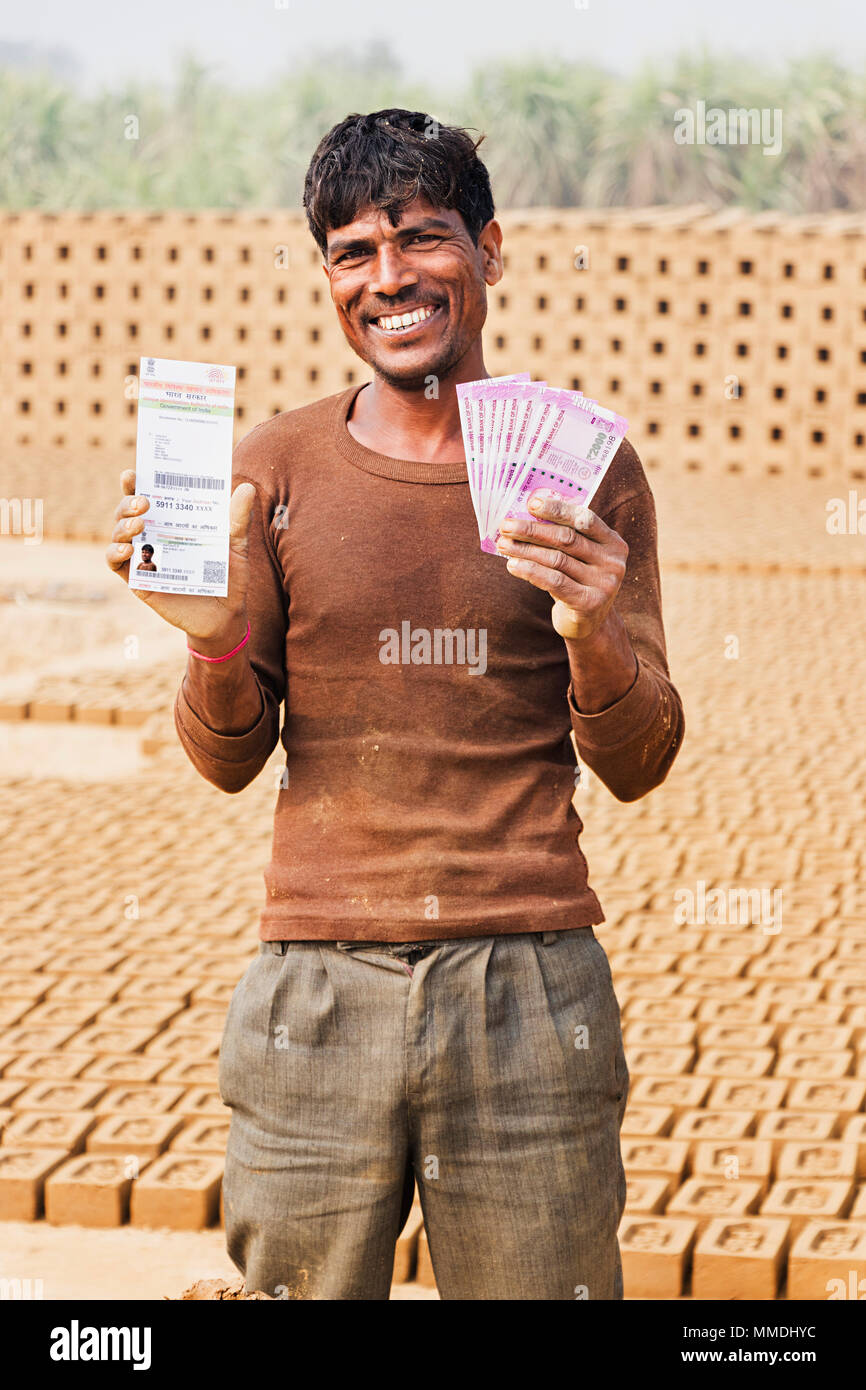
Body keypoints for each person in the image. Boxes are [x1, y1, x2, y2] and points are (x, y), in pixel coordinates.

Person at [106, 108, 684, 1300]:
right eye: (352, 252)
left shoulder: (580, 472)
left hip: (527, 982)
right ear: (326, 275)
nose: (389, 279)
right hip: (312, 985)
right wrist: (213, 643)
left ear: (490, 248)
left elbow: (639, 758)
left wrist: (593, 635)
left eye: (421, 238)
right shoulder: (275, 467)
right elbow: (226, 758)